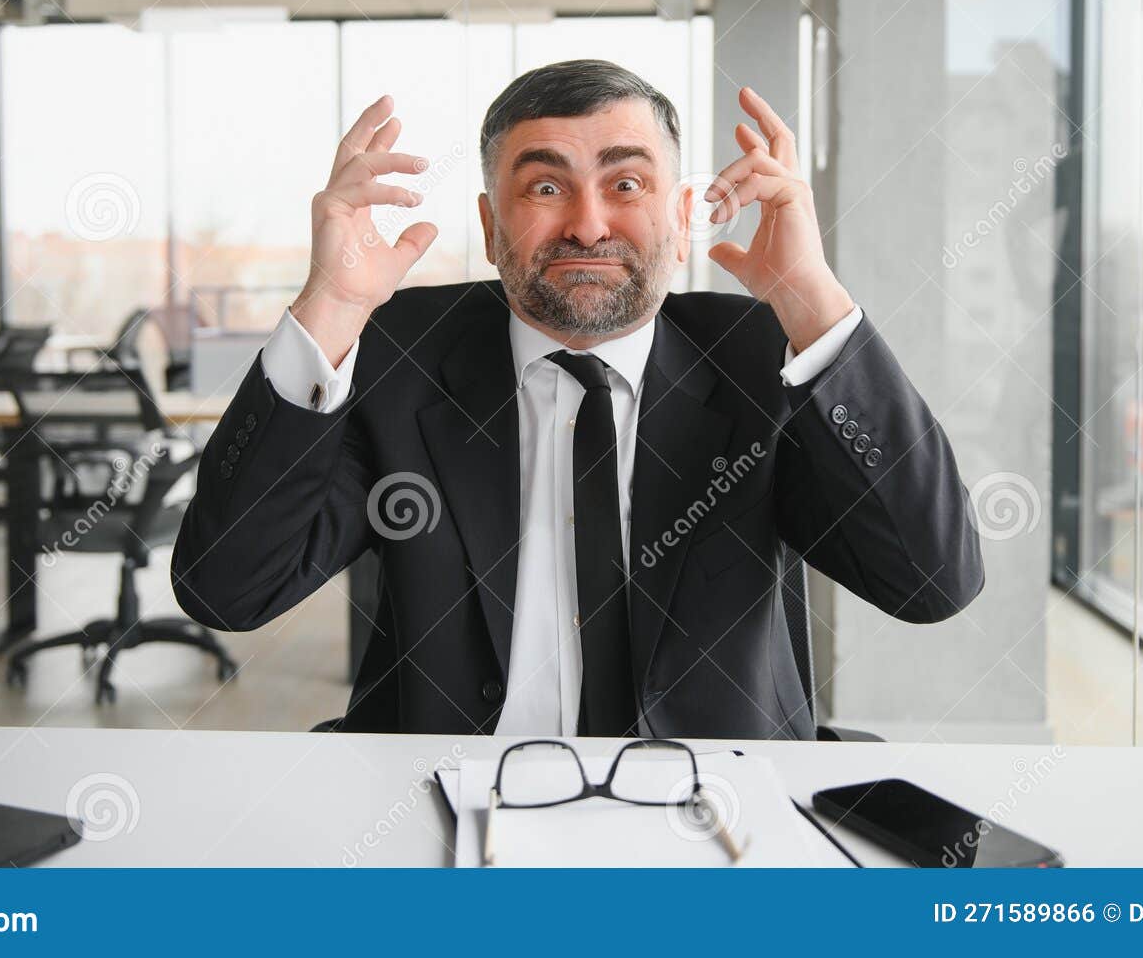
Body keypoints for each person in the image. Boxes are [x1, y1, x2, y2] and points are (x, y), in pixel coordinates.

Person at [172, 59, 984, 738]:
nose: (589, 226)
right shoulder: (402, 354)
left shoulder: (762, 358)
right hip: (446, 807)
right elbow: (227, 589)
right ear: (491, 226)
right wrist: (331, 307)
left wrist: (812, 300)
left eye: (626, 182)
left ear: (681, 219)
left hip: (713, 813)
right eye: (544, 188)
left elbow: (932, 578)